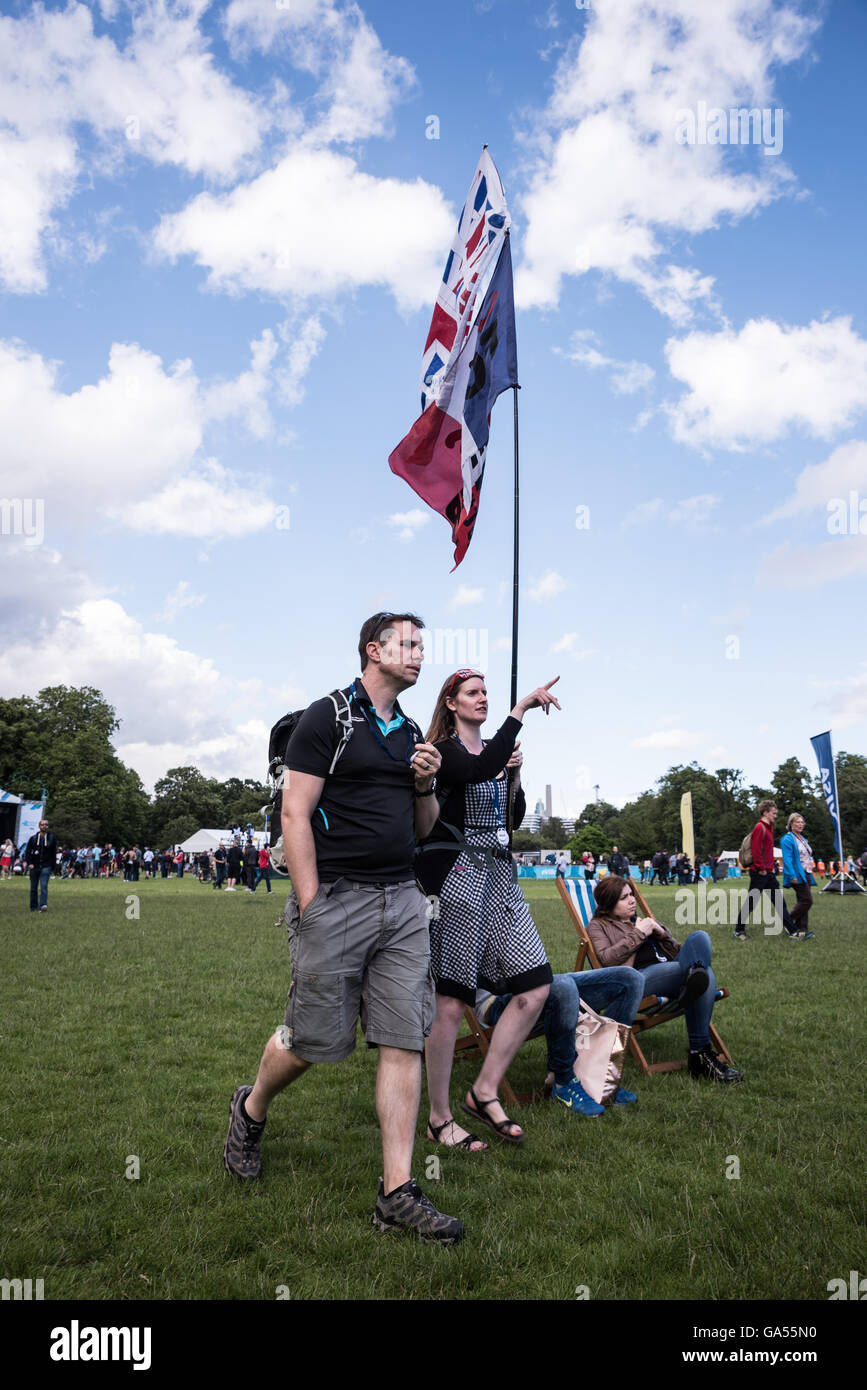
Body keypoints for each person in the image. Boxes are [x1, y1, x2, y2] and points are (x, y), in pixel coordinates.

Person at [223, 611, 462, 1243]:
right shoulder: (326, 717)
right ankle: (251, 1108)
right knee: (312, 1041)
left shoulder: (410, 731)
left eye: (420, 646)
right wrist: (310, 904)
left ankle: (397, 1192)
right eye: (407, 645)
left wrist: (426, 783)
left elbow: (422, 827)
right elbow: (294, 813)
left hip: (404, 901)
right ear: (373, 649)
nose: (417, 655)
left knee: (403, 1036)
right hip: (337, 899)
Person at [417, 669, 560, 1149]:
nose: (482, 699)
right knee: (452, 1002)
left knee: (536, 984)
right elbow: (471, 774)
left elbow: (513, 818)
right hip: (459, 876)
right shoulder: (446, 753)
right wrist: (518, 712)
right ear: (452, 703)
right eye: (473, 694)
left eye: (486, 694)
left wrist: (514, 773)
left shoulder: (496, 755)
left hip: (501, 876)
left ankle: (483, 1089)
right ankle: (439, 1116)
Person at [587, 875, 742, 1083]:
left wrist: (660, 932)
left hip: (670, 972)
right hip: (638, 980)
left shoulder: (639, 919)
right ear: (609, 904)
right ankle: (700, 1054)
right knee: (702, 974)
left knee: (699, 938)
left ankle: (692, 983)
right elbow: (607, 962)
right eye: (624, 897)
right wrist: (639, 934)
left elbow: (680, 951)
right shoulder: (598, 926)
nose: (632, 900)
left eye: (632, 894)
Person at [480, 964, 644, 1117]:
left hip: (536, 978)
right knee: (562, 986)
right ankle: (563, 1082)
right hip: (496, 999)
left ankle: (603, 1079)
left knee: (630, 979)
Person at [734, 800, 797, 939]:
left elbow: (766, 851)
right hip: (760, 873)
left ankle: (793, 932)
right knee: (751, 903)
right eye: (774, 813)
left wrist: (770, 869)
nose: (776, 815)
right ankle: (738, 931)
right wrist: (762, 869)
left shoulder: (769, 828)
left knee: (780, 903)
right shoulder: (759, 827)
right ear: (766, 812)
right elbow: (756, 851)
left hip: (768, 873)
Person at [781, 813, 816, 941]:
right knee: (807, 900)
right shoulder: (787, 839)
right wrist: (791, 874)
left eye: (802, 822)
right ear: (791, 824)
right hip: (797, 873)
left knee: (803, 901)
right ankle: (788, 921)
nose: (800, 824)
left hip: (807, 872)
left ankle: (802, 929)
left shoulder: (803, 839)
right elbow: (787, 859)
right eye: (797, 822)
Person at [24, 819, 57, 913]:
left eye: (46, 824)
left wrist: (53, 867)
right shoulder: (33, 838)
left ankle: (43, 905)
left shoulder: (51, 838)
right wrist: (29, 863)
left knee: (44, 886)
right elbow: (27, 852)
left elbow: (53, 853)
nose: (44, 826)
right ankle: (33, 907)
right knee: (33, 888)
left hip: (46, 866)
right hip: (34, 866)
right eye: (42, 824)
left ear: (48, 826)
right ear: (39, 826)